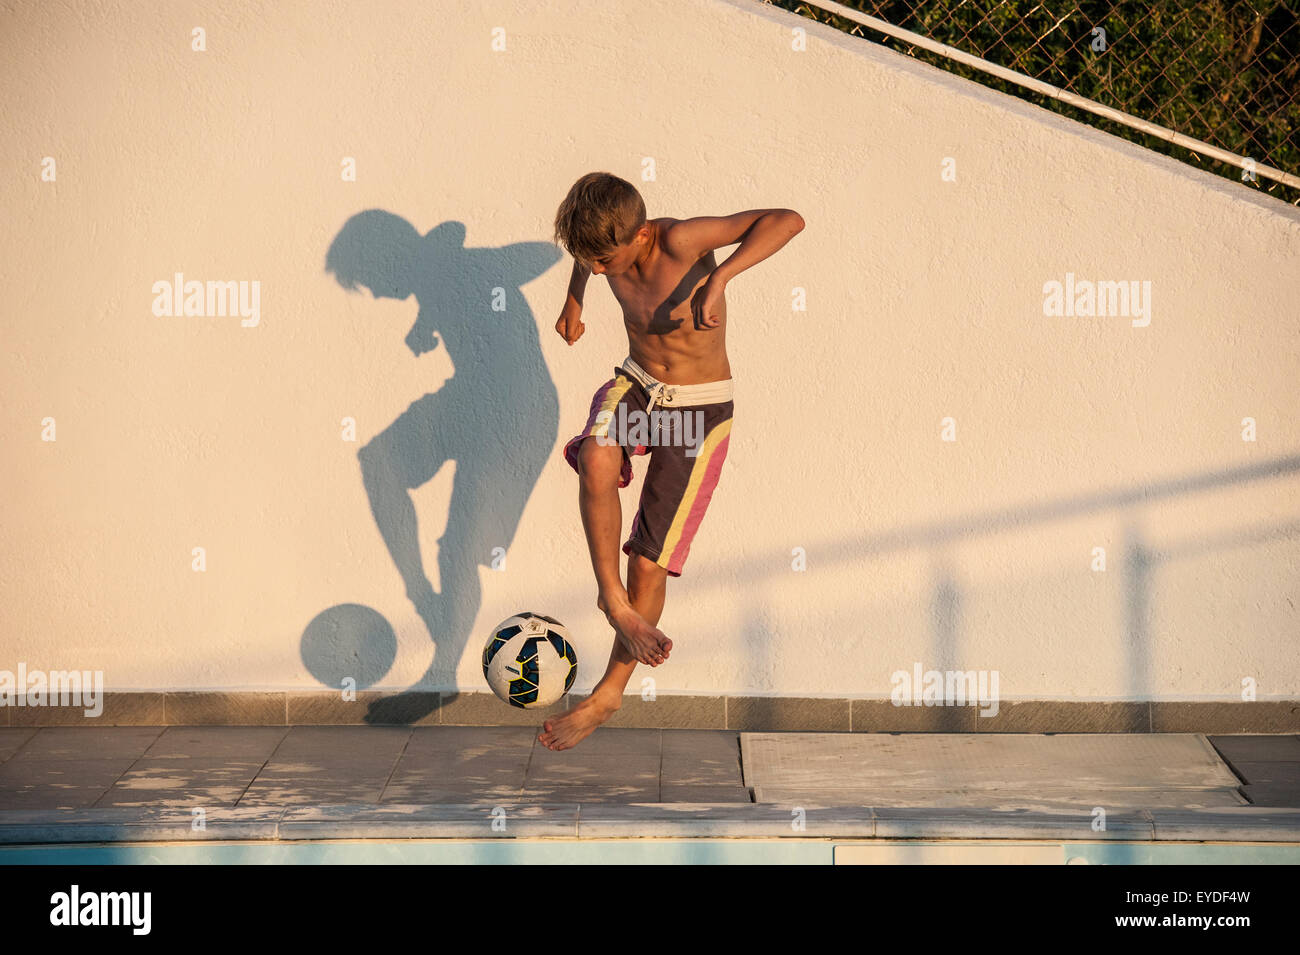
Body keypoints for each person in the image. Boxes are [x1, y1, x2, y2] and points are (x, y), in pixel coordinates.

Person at [539, 171, 804, 750]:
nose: (602, 269)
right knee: (597, 459)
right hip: (639, 385)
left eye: (606, 260)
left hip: (698, 411)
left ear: (639, 234)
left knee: (649, 565)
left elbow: (787, 220)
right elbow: (588, 255)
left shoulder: (684, 240)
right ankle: (611, 598)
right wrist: (574, 295)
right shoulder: (602, 254)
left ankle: (607, 694)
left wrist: (722, 280)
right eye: (592, 261)